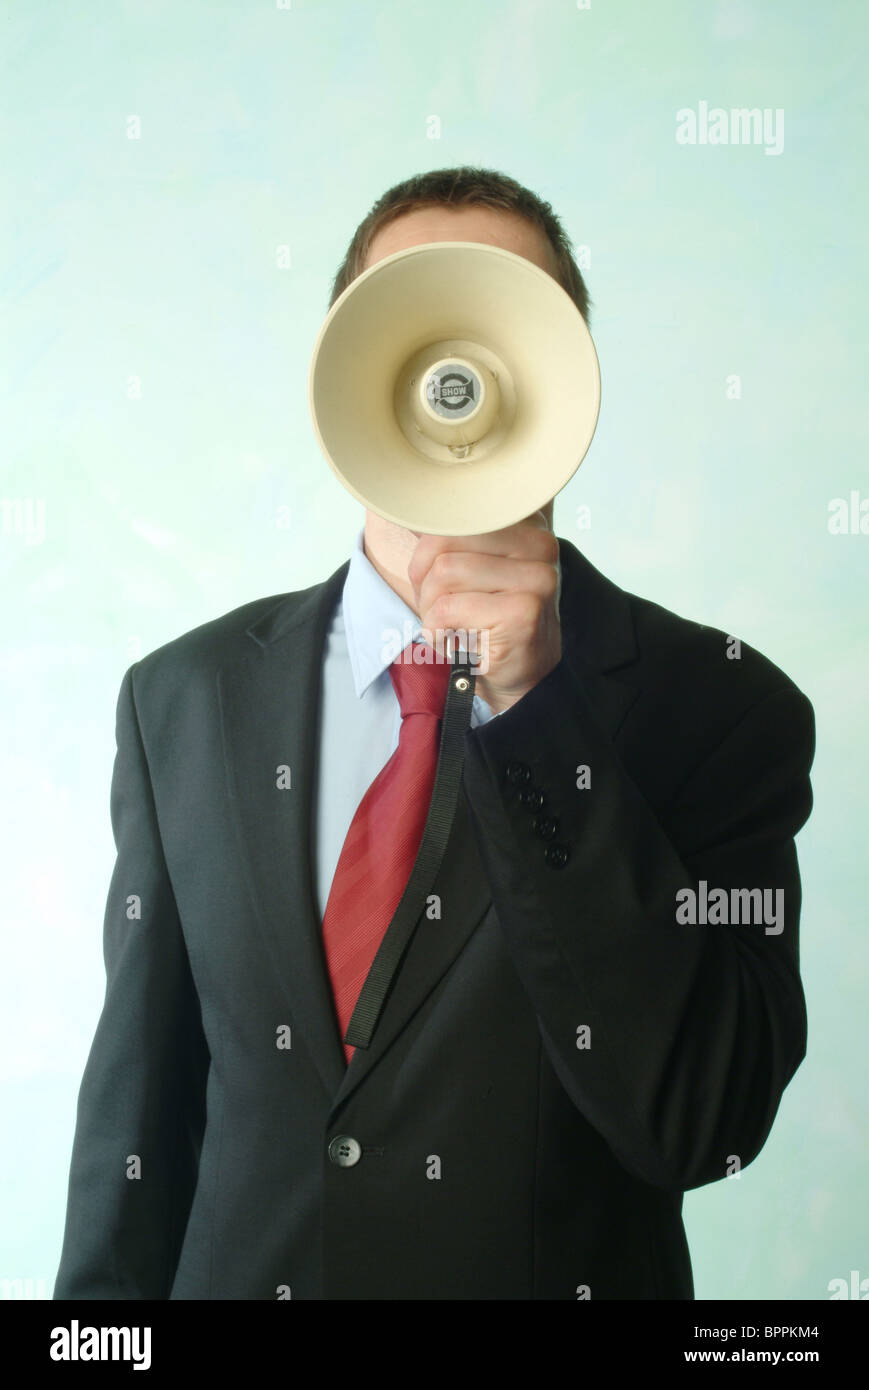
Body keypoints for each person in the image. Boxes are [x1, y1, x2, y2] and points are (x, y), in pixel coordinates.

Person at [53, 167, 815, 1301]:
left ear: (558, 378)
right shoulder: (184, 698)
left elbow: (700, 1124)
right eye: (410, 314)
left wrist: (535, 713)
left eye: (498, 316)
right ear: (344, 371)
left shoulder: (718, 705)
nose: (451, 367)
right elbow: (138, 1128)